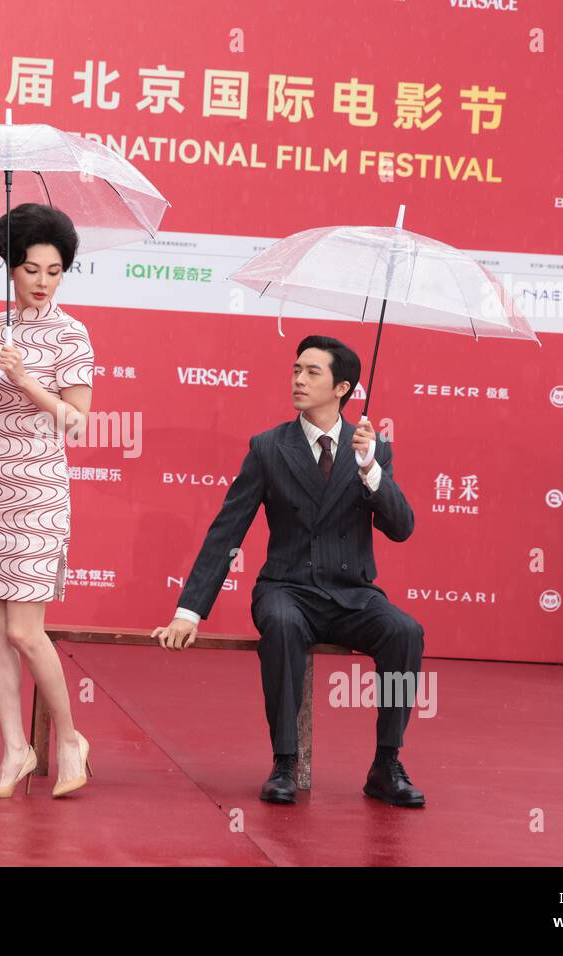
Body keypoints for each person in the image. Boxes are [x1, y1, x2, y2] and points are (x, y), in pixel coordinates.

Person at [151, 335, 427, 807]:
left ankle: (386, 763)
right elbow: (226, 531)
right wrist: (188, 612)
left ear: (342, 387)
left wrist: (370, 471)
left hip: (352, 594)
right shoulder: (269, 448)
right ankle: (285, 761)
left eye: (312, 372)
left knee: (406, 631)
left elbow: (401, 529)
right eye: (296, 369)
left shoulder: (371, 450)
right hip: (287, 588)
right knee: (279, 625)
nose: (298, 379)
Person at [0, 203, 96, 799]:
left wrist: (28, 380)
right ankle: (15, 750)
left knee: (24, 631)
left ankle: (69, 739)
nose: (42, 281)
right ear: (10, 268)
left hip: (37, 488)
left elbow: (77, 423)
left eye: (55, 270)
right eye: (31, 268)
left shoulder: (71, 333)